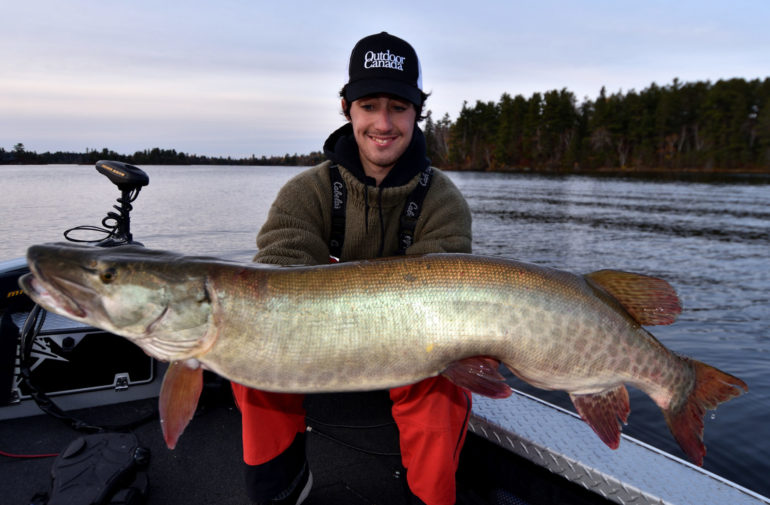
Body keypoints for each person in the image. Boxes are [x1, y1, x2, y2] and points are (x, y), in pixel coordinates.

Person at [231, 32, 473, 505]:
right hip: (316, 352)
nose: (383, 123)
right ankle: (281, 490)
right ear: (347, 108)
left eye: (398, 107)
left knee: (442, 391)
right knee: (251, 366)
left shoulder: (444, 201)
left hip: (414, 353)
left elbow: (450, 305)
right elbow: (275, 284)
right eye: (369, 105)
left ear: (417, 112)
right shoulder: (307, 192)